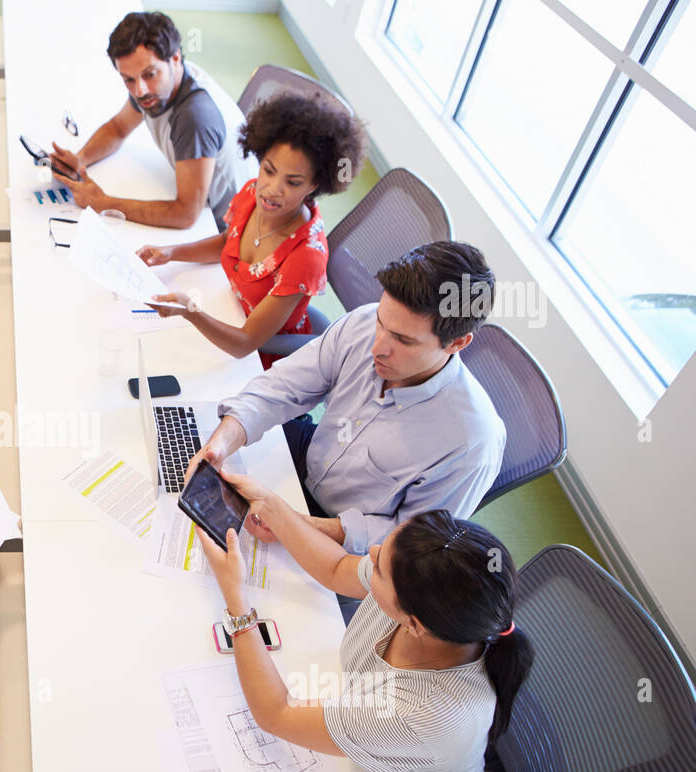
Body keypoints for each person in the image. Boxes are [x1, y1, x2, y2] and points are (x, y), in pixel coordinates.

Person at [195, 486, 533, 772]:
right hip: (379, 761)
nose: (370, 553)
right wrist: (271, 506)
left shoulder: (424, 714)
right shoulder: (425, 592)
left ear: (414, 623)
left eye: (379, 567)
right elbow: (338, 568)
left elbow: (275, 714)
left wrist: (237, 604)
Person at [187, 241, 506, 555]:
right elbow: (283, 387)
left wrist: (295, 525)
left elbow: (411, 544)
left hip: (346, 541)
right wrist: (221, 444)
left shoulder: (472, 444)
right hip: (313, 460)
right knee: (188, 457)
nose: (377, 346)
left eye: (403, 340)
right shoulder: (364, 322)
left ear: (457, 343)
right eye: (382, 322)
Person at [138, 92, 366, 369]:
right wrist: (170, 252)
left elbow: (245, 343)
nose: (271, 189)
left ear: (316, 184)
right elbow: (228, 241)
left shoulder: (306, 256)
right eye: (269, 170)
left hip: (264, 361)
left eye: (292, 182)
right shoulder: (250, 194)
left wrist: (190, 311)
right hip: (227, 314)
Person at [46, 11, 253, 228]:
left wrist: (102, 202)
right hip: (205, 213)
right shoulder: (156, 87)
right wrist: (81, 159)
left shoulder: (194, 117)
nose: (139, 90)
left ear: (175, 59)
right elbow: (118, 128)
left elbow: (185, 215)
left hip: (228, 233)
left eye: (149, 75)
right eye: (128, 79)